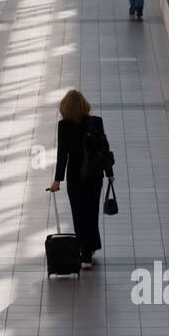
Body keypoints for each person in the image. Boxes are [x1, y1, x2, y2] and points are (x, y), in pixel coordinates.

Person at [48, 90, 115, 269]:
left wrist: (57, 180)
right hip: (94, 175)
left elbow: (62, 155)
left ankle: (85, 256)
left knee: (79, 215)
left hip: (75, 177)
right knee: (91, 214)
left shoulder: (64, 126)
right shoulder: (96, 121)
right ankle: (90, 247)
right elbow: (104, 148)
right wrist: (109, 172)